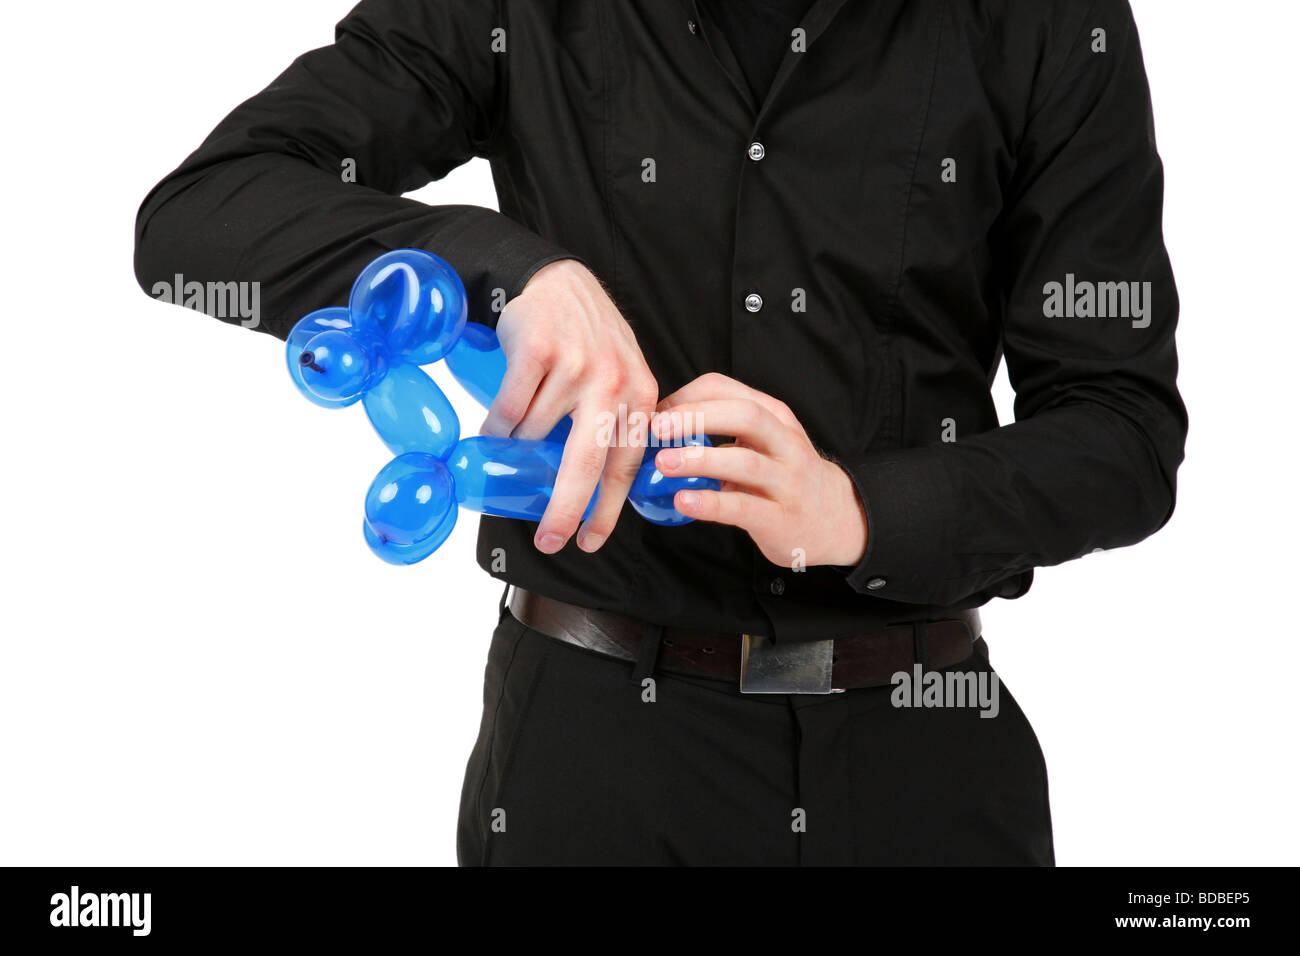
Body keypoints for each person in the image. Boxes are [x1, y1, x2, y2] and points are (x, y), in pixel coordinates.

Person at [135, 0, 1186, 865]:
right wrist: (508, 269)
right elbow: (201, 209)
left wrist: (862, 510)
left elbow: (1122, 429)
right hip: (590, 759)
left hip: (924, 767)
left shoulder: (1047, 20)